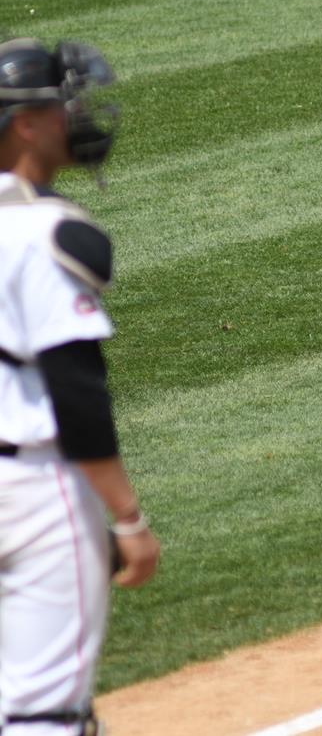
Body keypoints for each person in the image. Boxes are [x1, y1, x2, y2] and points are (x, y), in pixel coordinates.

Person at [0, 38, 160, 736]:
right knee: (48, 713)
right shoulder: (45, 230)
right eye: (63, 105)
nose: (79, 115)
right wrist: (127, 516)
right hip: (32, 491)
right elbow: (76, 390)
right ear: (26, 124)